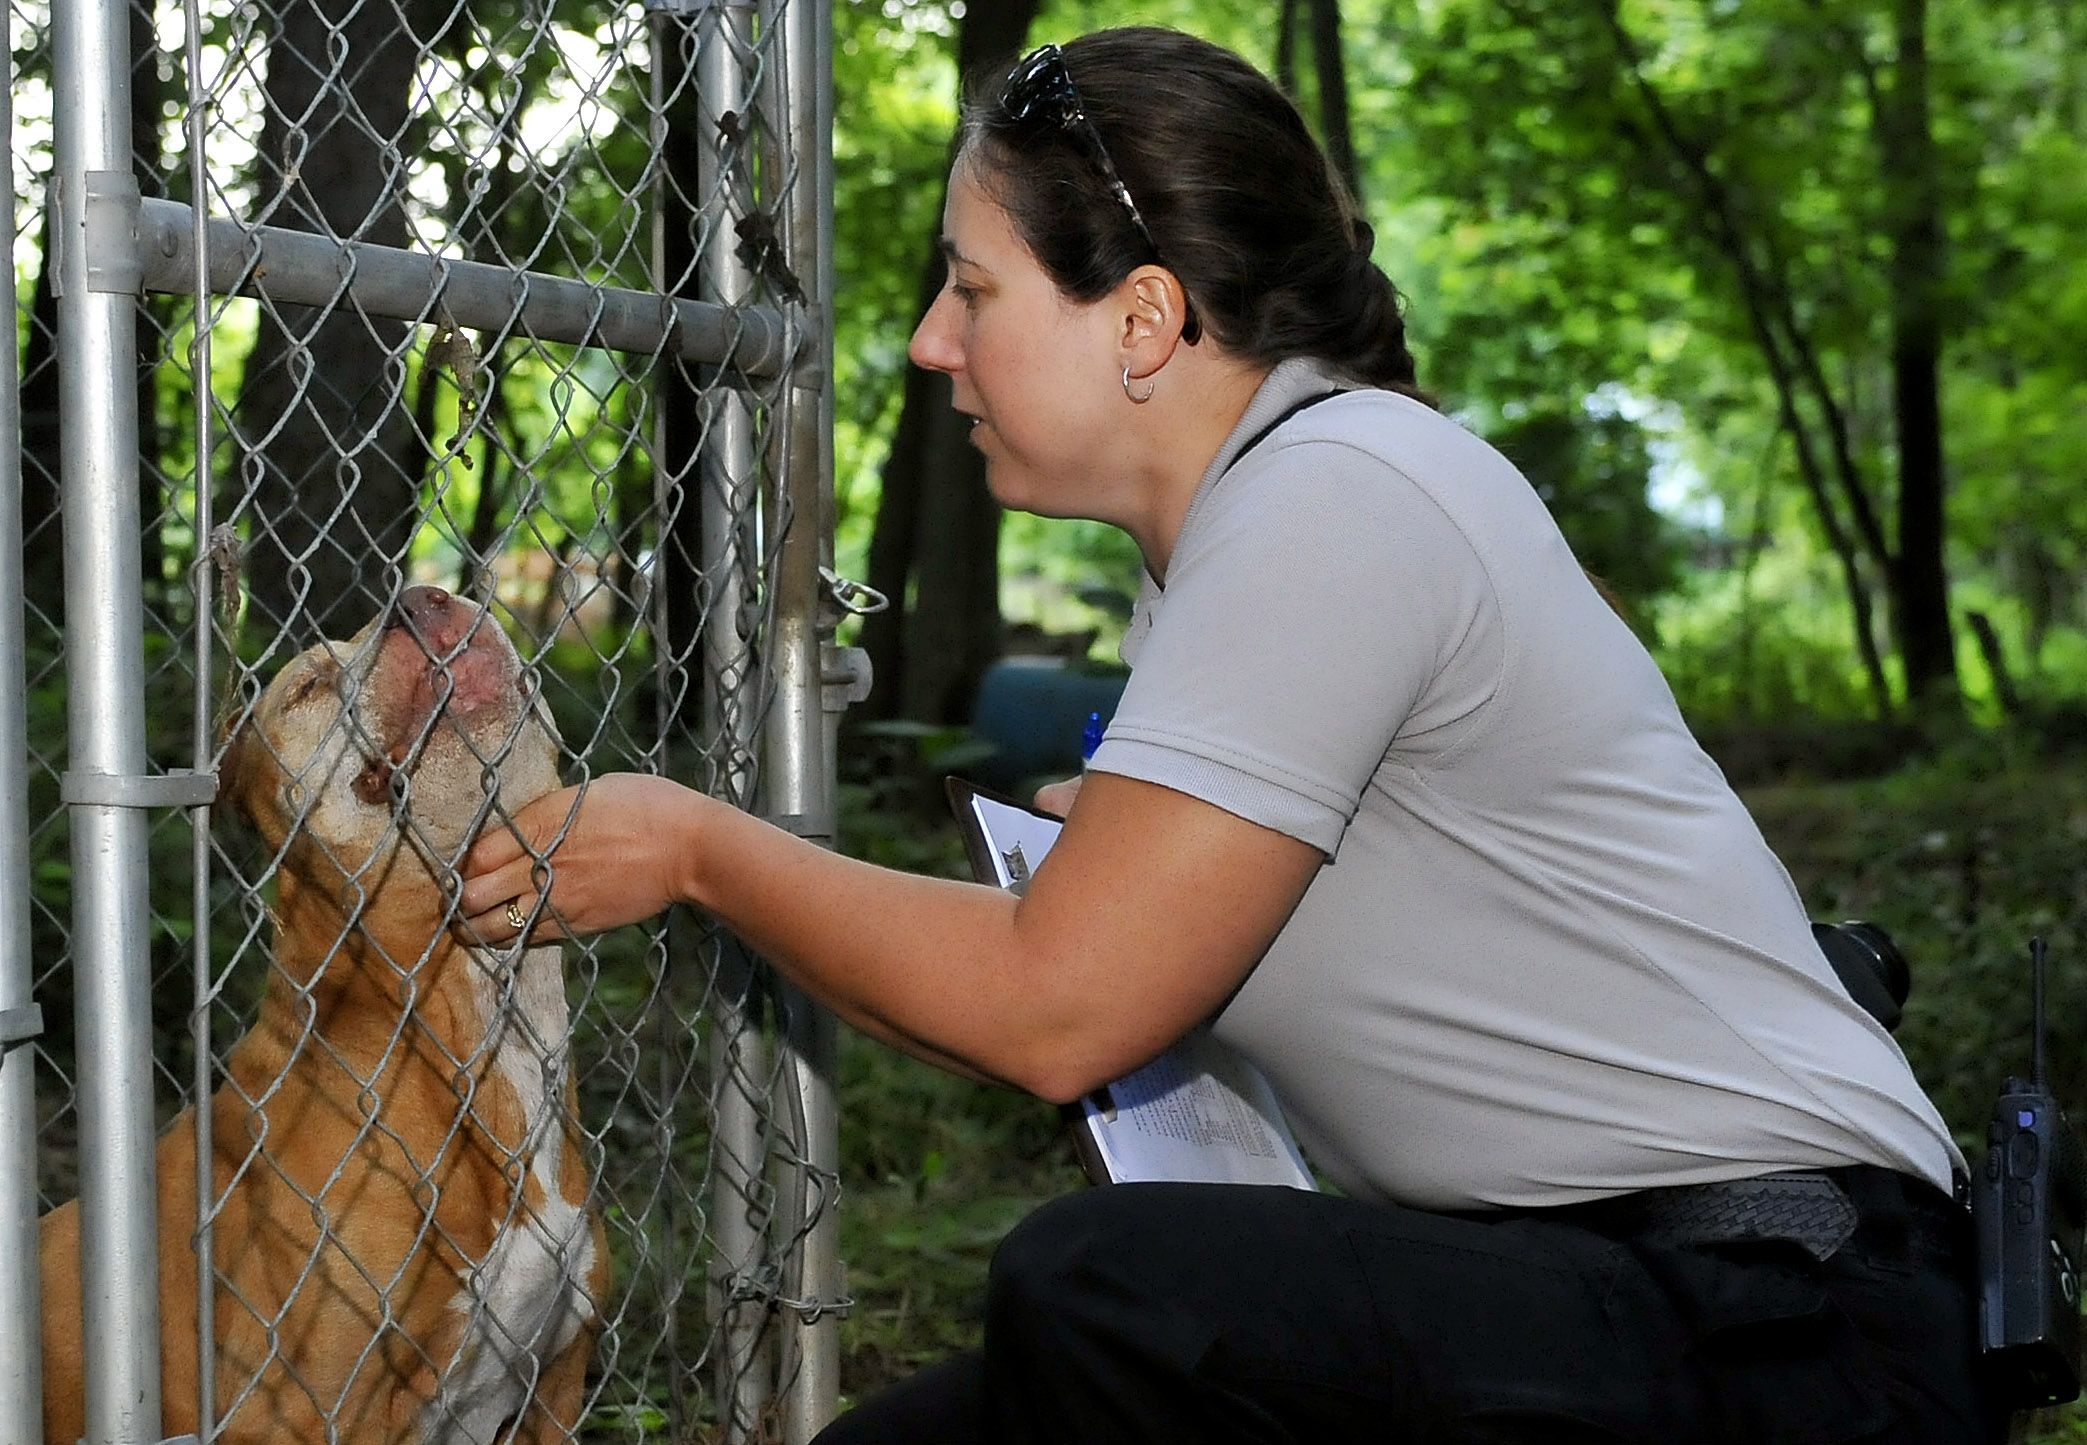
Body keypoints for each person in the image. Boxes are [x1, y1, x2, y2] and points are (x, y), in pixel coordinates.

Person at [459, 27, 2004, 1444]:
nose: (931, 342)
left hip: (1793, 1325)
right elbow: (1072, 1000)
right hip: (1599, 1295)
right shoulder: (1257, 528)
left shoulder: (1335, 494)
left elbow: (1054, 1009)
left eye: (973, 290)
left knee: (1108, 1291)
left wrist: (699, 848)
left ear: (1144, 319)